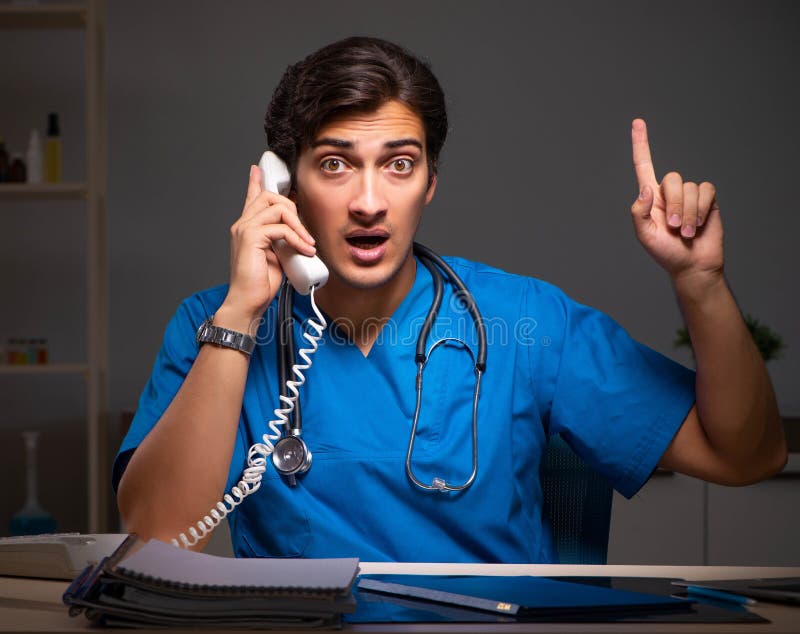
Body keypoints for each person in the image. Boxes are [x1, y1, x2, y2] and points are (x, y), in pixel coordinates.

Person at [115, 36, 787, 562]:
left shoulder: (524, 322)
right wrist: (239, 316)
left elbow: (747, 457)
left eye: (399, 164)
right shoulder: (214, 328)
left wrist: (700, 284)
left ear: (431, 181)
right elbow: (156, 537)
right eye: (336, 164)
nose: (370, 202)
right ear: (284, 187)